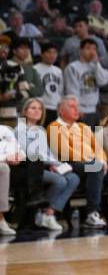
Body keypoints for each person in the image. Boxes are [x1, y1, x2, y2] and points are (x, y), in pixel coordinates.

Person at [48, 96, 108, 228]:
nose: (76, 109)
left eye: (77, 106)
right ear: (61, 111)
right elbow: (65, 152)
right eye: (72, 106)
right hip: (73, 165)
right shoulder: (54, 127)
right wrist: (94, 161)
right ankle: (92, 214)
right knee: (95, 166)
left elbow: (97, 148)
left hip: (94, 165)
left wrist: (102, 159)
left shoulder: (83, 126)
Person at [14, 96, 77, 231]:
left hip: (44, 166)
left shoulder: (40, 131)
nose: (37, 111)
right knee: (60, 181)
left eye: (40, 109)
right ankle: (39, 212)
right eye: (33, 108)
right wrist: (51, 164)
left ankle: (48, 213)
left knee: (73, 178)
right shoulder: (20, 129)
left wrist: (58, 164)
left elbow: (48, 153)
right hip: (28, 170)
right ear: (25, 111)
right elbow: (29, 153)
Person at [63, 38, 108, 125]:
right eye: (88, 48)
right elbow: (72, 90)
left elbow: (103, 82)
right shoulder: (72, 67)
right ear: (81, 50)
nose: (91, 51)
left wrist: (97, 63)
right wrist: (77, 108)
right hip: (80, 110)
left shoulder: (95, 66)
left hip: (95, 109)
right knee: (81, 137)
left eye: (94, 49)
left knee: (96, 136)